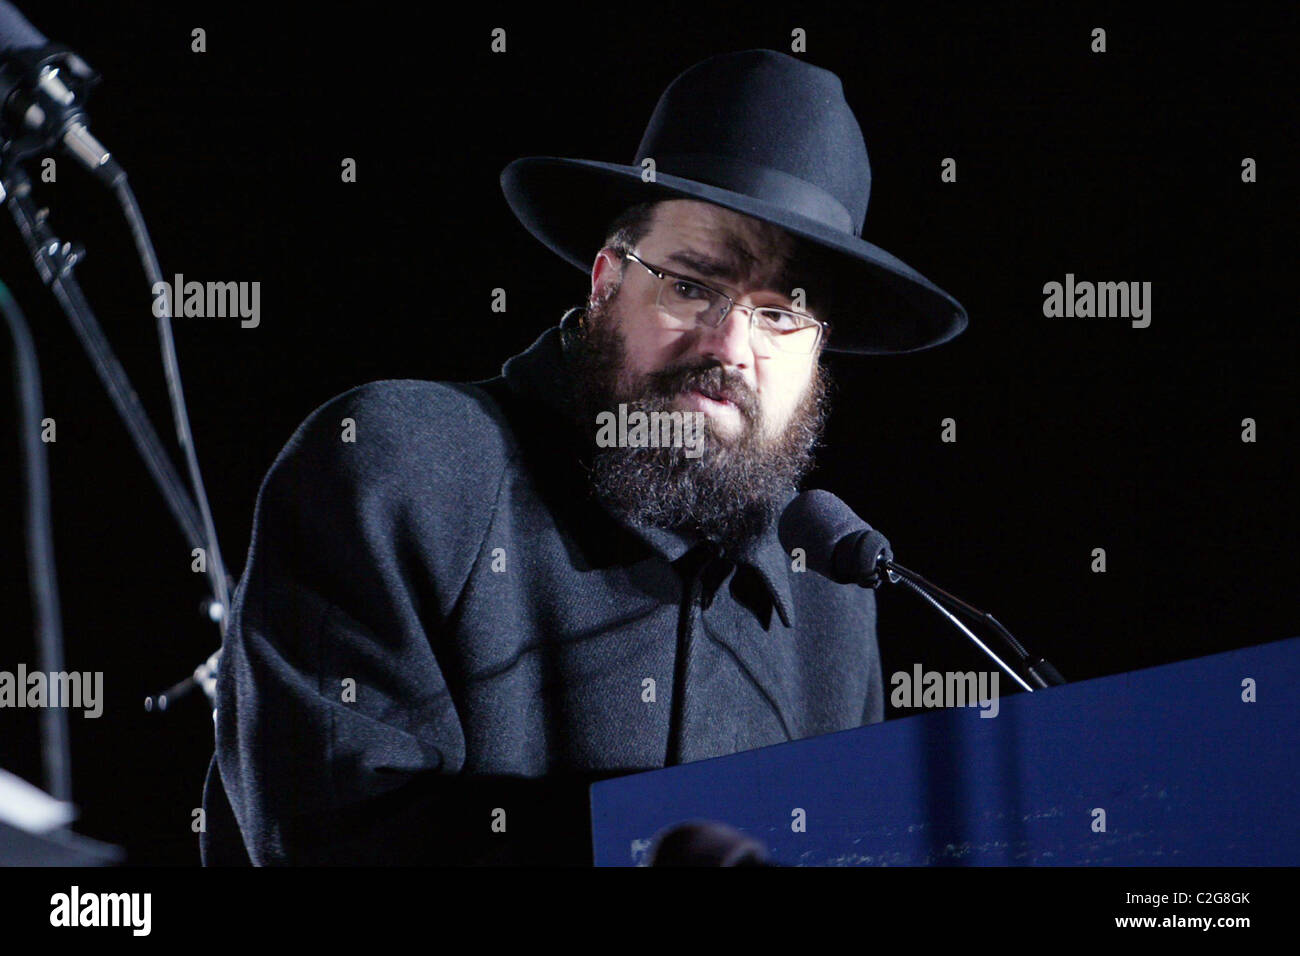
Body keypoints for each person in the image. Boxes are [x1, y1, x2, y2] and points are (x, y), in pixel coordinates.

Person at [200, 48, 967, 865]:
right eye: (690, 286)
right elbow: (329, 842)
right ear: (605, 282)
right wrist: (657, 842)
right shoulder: (401, 465)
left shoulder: (833, 594)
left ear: (818, 352)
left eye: (779, 315)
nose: (731, 346)